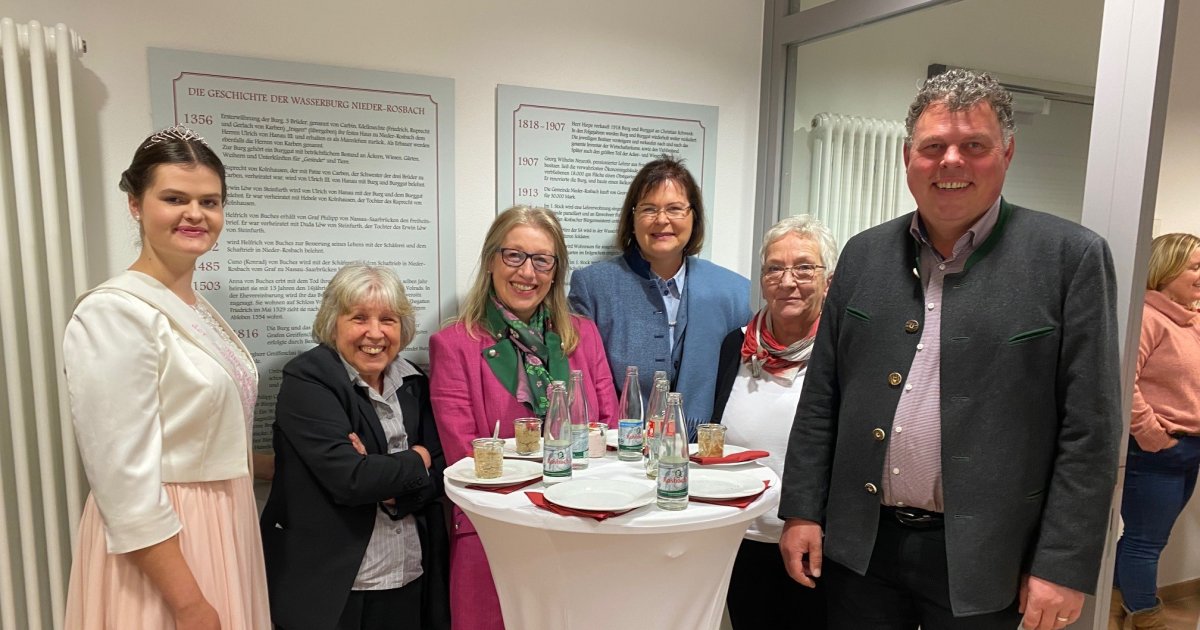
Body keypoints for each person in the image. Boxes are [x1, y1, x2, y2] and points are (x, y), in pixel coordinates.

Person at [778, 68, 1122, 630]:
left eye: (974, 146)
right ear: (908, 156)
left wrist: (1062, 563)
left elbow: (1091, 430)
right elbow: (822, 398)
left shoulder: (1069, 258)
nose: (951, 161)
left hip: (987, 555)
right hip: (861, 546)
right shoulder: (863, 255)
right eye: (933, 146)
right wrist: (801, 511)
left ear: (1007, 153)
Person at [62, 126, 270, 629]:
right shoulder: (115, 312)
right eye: (175, 198)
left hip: (223, 524)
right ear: (135, 204)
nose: (195, 214)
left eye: (209, 201)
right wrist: (188, 603)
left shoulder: (196, 309)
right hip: (166, 544)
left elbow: (203, 432)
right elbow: (121, 479)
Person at [429, 205, 619, 630]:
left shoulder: (583, 337)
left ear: (555, 271)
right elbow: (466, 459)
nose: (527, 272)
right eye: (514, 255)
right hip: (497, 531)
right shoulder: (454, 345)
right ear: (491, 261)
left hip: (585, 526)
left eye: (542, 260)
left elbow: (608, 430)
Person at [260, 263, 449, 630]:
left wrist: (391, 486)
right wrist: (417, 458)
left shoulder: (413, 381)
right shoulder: (308, 379)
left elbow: (443, 469)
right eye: (359, 318)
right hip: (335, 585)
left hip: (408, 573)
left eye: (388, 319)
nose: (374, 333)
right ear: (333, 323)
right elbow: (352, 480)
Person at [712, 214, 836, 630]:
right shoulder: (736, 344)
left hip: (814, 541)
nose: (787, 281)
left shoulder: (842, 350)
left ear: (828, 281)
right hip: (741, 535)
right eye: (774, 268)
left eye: (804, 268)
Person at [570, 156, 750, 431]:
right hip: (620, 445)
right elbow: (581, 381)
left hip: (704, 448)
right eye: (649, 209)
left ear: (694, 217)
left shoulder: (735, 293)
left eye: (675, 209)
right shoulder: (593, 287)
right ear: (632, 219)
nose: (662, 220)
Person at [1111, 233, 1200, 630]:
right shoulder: (1146, 317)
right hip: (1156, 453)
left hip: (1188, 450)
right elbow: (1123, 384)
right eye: (1195, 267)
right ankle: (1146, 618)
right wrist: (1155, 438)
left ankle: (1114, 604)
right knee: (1146, 543)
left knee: (1145, 538)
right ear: (1166, 269)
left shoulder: (1192, 321)